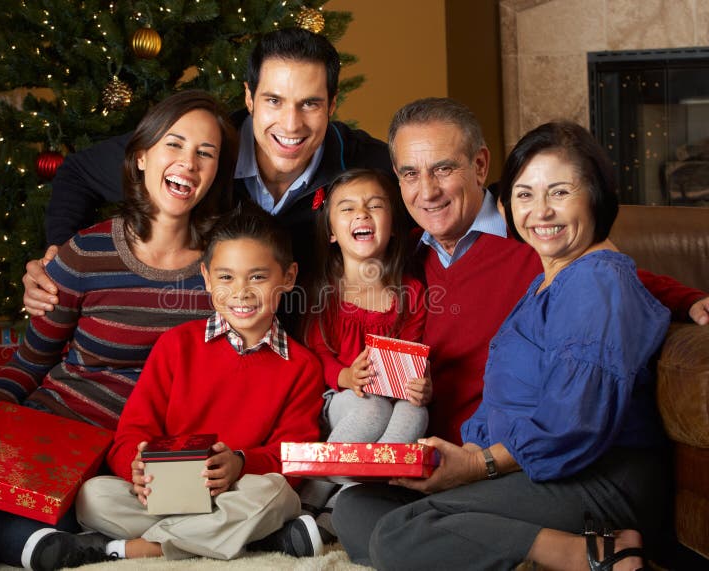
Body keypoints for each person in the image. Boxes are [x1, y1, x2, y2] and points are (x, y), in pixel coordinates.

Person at [0, 89, 237, 571]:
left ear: (216, 173)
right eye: (174, 144)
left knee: (31, 539)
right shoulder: (84, 253)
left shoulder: (224, 270)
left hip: (118, 460)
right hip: (45, 433)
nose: (188, 163)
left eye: (205, 153)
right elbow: (29, 360)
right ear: (141, 156)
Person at [333, 120, 673, 570]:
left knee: (398, 535)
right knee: (356, 508)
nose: (541, 212)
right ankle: (503, 549)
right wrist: (465, 458)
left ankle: (587, 554)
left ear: (596, 196)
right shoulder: (549, 279)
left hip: (595, 478)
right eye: (525, 195)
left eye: (559, 192)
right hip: (527, 469)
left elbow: (572, 426)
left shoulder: (596, 281)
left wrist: (478, 466)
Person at [384, 97, 709, 446]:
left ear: (480, 165)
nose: (427, 191)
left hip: (504, 457)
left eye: (443, 169)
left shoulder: (539, 236)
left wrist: (688, 300)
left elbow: (608, 278)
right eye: (410, 174)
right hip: (418, 450)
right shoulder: (400, 256)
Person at [23, 27, 395, 326]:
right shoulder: (200, 151)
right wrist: (56, 257)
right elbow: (78, 173)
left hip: (322, 352)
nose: (291, 124)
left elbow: (423, 204)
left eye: (310, 104)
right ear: (249, 98)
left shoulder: (366, 165)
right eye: (274, 101)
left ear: (332, 104)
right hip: (214, 345)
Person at [29, 205, 326, 570]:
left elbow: (293, 457)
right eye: (226, 277)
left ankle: (130, 549)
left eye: (258, 277)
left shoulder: (302, 366)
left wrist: (240, 463)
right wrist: (135, 467)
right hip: (165, 494)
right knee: (93, 495)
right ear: (207, 278)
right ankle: (248, 537)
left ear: (288, 277)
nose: (241, 292)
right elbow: (131, 433)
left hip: (237, 490)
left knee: (277, 494)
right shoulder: (176, 345)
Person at [299, 168, 432, 541]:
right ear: (331, 232)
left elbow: (413, 355)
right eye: (348, 208)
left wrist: (422, 385)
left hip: (390, 399)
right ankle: (312, 495)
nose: (362, 214)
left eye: (375, 205)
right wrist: (346, 376)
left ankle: (352, 499)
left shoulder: (411, 292)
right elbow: (315, 355)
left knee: (416, 412)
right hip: (338, 401)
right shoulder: (323, 289)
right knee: (372, 407)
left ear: (393, 226)